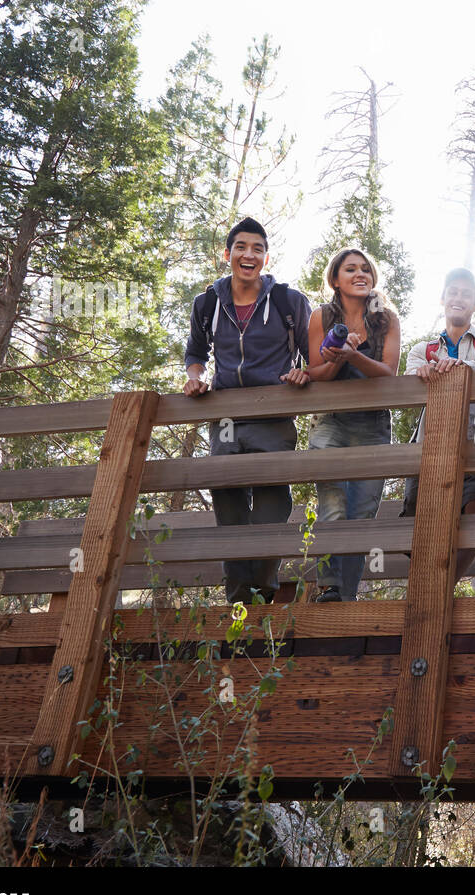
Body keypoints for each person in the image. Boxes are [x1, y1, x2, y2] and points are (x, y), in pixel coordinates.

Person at [183, 217, 313, 605]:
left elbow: (311, 354)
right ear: (228, 254)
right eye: (241, 247)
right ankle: (238, 602)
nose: (248, 254)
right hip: (224, 418)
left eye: (257, 248)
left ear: (266, 257)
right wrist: (195, 377)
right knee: (228, 504)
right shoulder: (208, 303)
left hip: (274, 416)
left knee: (272, 504)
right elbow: (195, 353)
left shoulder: (290, 302)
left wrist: (301, 374)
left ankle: (262, 595)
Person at [304, 247, 401, 602]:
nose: (360, 274)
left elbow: (389, 373)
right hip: (330, 421)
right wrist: (336, 359)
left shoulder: (386, 319)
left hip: (373, 425)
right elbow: (317, 373)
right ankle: (328, 588)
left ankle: (346, 597)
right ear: (335, 279)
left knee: (361, 514)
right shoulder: (320, 317)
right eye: (350, 269)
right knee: (332, 505)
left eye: (365, 269)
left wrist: (355, 355)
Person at [400, 268, 475, 581]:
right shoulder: (424, 349)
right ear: (443, 298)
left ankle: (443, 585)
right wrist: (426, 374)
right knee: (420, 520)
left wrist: (460, 366)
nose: (459, 298)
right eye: (453, 292)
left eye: (467, 294)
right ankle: (424, 585)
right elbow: (410, 381)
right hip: (429, 444)